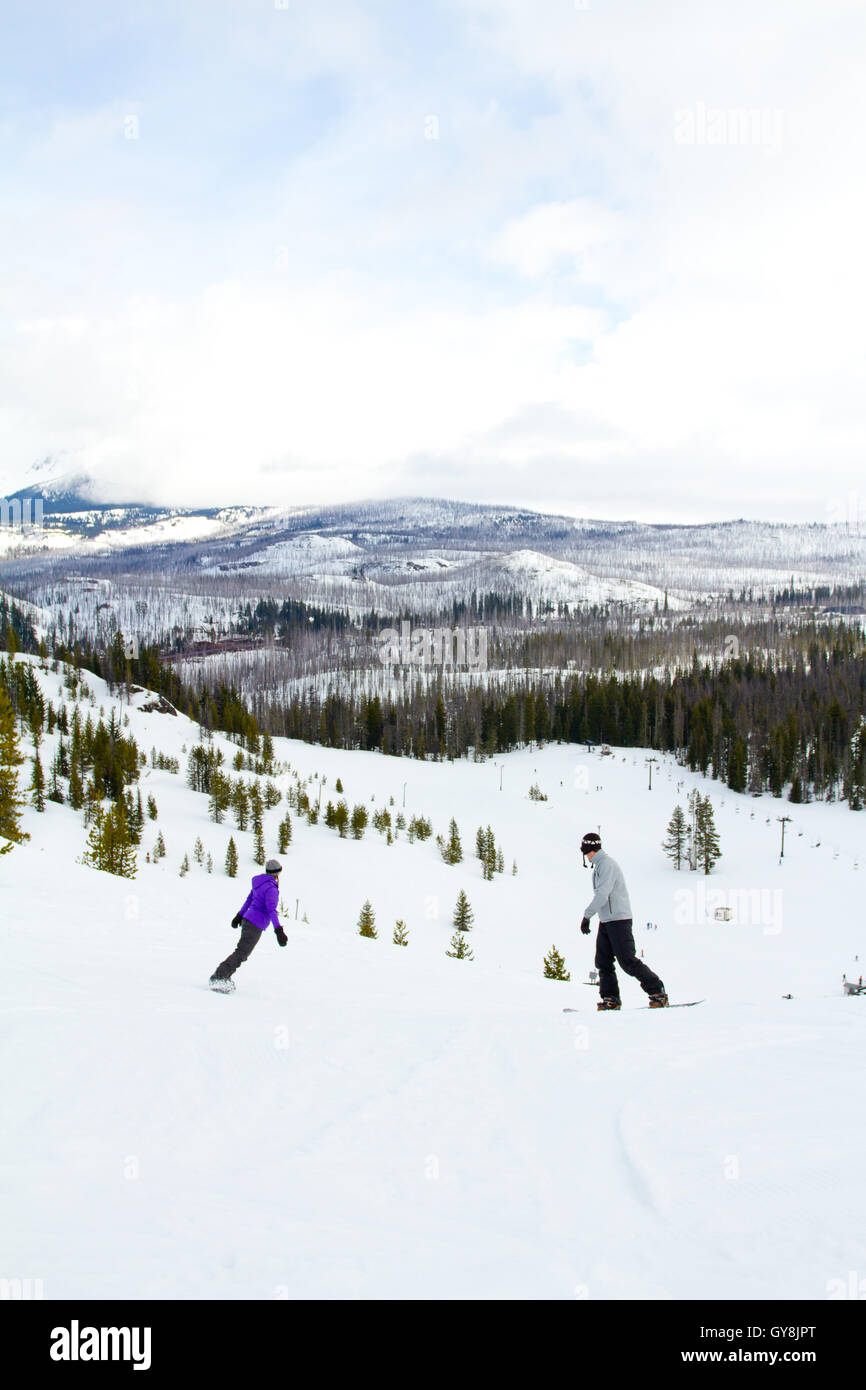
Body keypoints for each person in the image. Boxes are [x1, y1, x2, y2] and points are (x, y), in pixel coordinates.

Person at [578, 832, 668, 1010]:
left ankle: (658, 992)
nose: (585, 855)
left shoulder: (607, 865)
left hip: (619, 919)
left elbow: (602, 894)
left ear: (591, 849)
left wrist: (587, 915)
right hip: (607, 920)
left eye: (586, 851)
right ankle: (611, 999)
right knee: (603, 962)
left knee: (627, 961)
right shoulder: (598, 866)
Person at [209, 858, 287, 992]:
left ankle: (223, 976)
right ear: (277, 873)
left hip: (247, 919)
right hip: (255, 924)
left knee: (242, 952)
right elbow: (271, 910)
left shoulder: (260, 883)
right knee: (242, 953)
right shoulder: (271, 888)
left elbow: (249, 899)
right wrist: (278, 931)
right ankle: (219, 976)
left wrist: (239, 916)